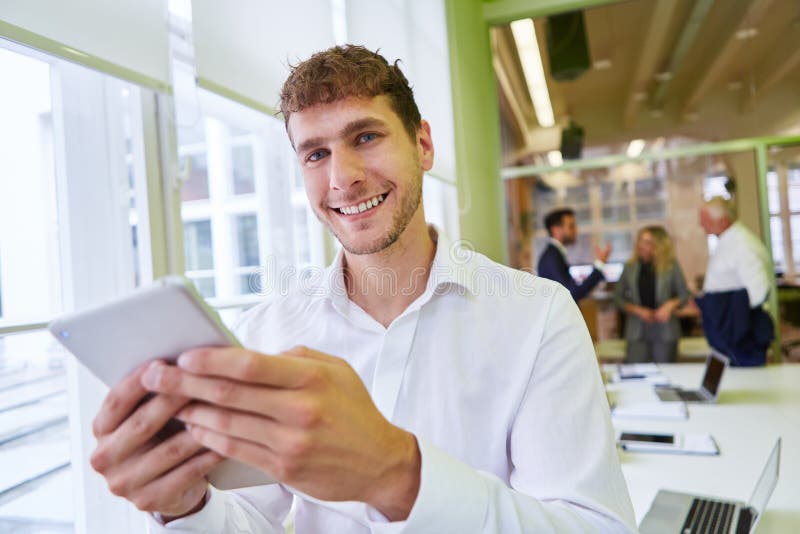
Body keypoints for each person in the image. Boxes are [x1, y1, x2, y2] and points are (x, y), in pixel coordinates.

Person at [89, 45, 636, 532]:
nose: (341, 178)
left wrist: (399, 474)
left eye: (366, 136)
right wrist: (187, 508)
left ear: (422, 144)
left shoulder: (537, 317)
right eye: (315, 153)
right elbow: (249, 521)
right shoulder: (264, 333)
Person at [696, 197, 774, 366]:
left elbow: (759, 292)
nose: (701, 226)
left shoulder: (742, 244)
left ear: (723, 221)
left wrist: (732, 324)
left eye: (705, 221)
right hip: (729, 331)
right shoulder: (728, 241)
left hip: (741, 333)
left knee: (748, 384)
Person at [613, 226, 690, 363]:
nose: (641, 246)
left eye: (647, 242)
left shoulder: (671, 266)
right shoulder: (630, 267)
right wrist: (637, 310)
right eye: (640, 241)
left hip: (665, 330)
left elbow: (684, 294)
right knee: (635, 375)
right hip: (637, 330)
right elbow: (617, 297)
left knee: (665, 374)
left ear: (659, 246)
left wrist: (670, 305)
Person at [537, 207, 612, 301]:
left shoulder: (554, 254)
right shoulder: (552, 257)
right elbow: (572, 294)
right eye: (571, 226)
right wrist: (599, 265)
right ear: (556, 230)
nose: (576, 231)